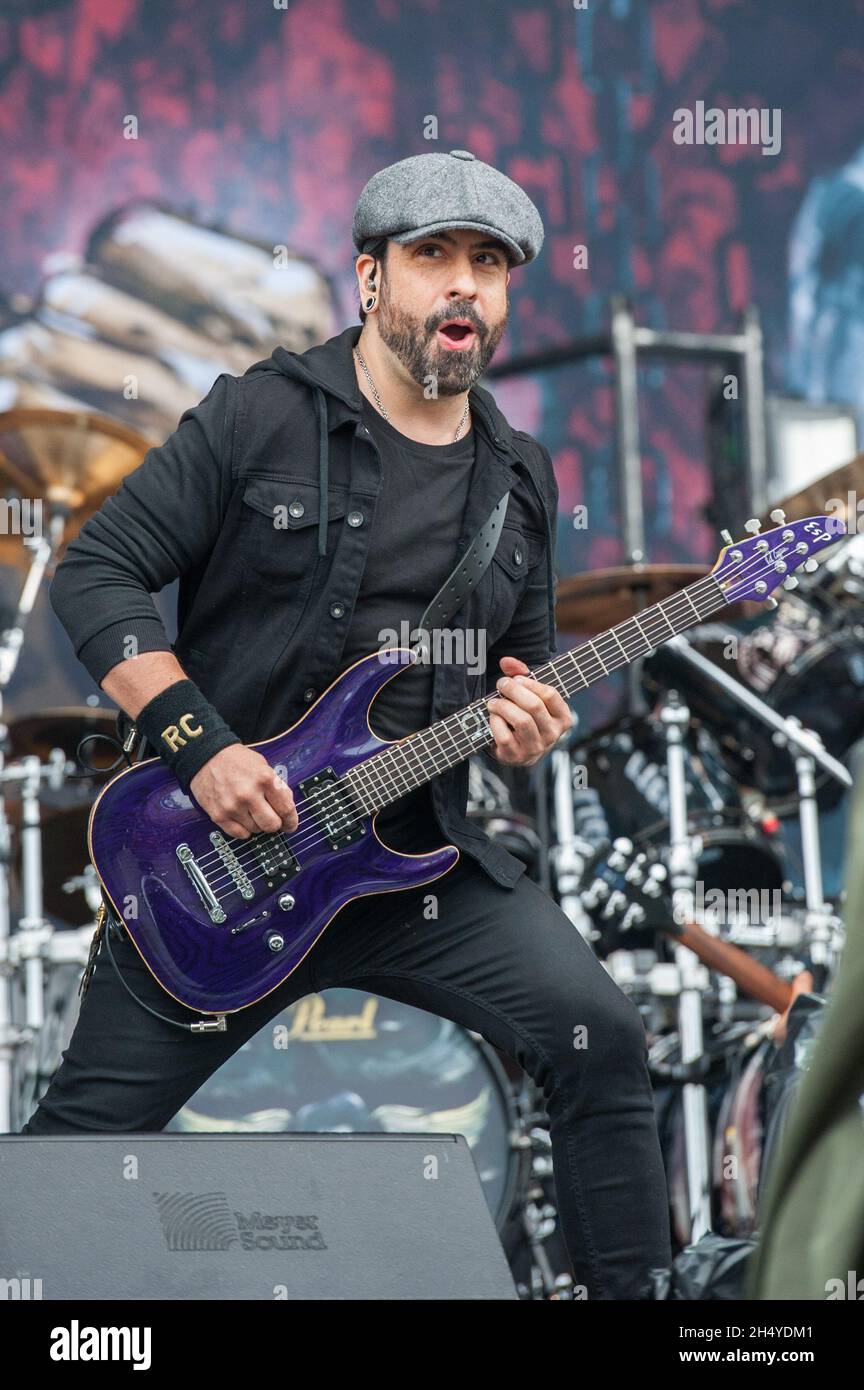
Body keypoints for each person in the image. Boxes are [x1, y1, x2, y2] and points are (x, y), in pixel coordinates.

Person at [23, 149, 671, 1299]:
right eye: (433, 257)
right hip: (215, 865)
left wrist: (526, 724)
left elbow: (517, 676)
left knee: (603, 1037)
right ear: (371, 280)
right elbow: (98, 579)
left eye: (488, 263)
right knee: (71, 1156)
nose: (462, 285)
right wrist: (202, 748)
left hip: (410, 869)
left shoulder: (519, 479)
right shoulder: (260, 416)